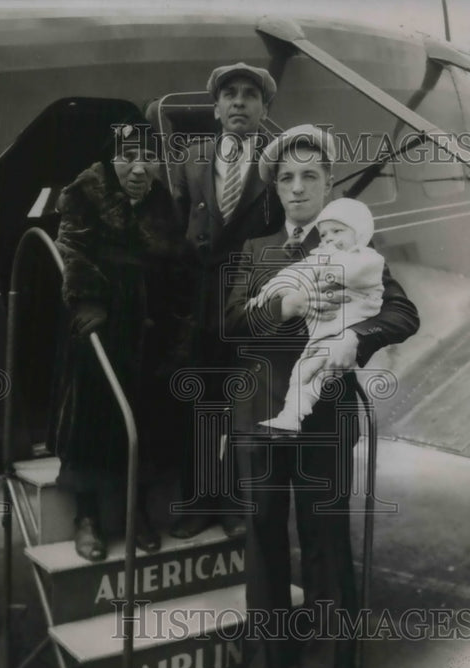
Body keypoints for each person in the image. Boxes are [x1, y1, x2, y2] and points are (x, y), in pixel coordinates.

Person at [224, 125, 420, 668]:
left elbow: (402, 313)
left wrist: (356, 338)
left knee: (324, 536)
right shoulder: (255, 251)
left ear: (329, 183)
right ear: (275, 188)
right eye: (286, 177)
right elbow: (230, 324)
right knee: (262, 537)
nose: (297, 187)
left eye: (310, 175)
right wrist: (284, 305)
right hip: (260, 413)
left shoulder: (353, 246)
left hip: (325, 416)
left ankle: (326, 664)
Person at [49, 120, 186, 562]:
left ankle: (136, 511)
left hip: (147, 333)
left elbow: (174, 267)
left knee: (144, 415)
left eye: (148, 157)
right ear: (111, 160)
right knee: (93, 416)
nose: (139, 168)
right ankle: (87, 517)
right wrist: (89, 300)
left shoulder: (162, 204)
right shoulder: (86, 193)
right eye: (128, 157)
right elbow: (70, 249)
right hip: (101, 328)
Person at [170, 61, 284, 540]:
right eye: (230, 94)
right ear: (216, 109)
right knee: (200, 405)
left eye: (250, 95)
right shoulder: (191, 159)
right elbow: (175, 231)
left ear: (263, 109)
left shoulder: (278, 164)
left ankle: (238, 505)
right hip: (201, 305)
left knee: (244, 406)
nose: (239, 101)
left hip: (249, 303)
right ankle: (199, 502)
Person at [248, 197, 385, 431]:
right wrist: (269, 291)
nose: (329, 238)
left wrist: (324, 262)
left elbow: (350, 273)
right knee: (302, 373)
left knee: (314, 372)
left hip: (345, 330)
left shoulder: (368, 258)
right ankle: (291, 417)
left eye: (337, 231)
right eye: (324, 234)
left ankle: (293, 416)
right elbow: (294, 272)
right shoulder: (318, 257)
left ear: (358, 233)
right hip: (322, 335)